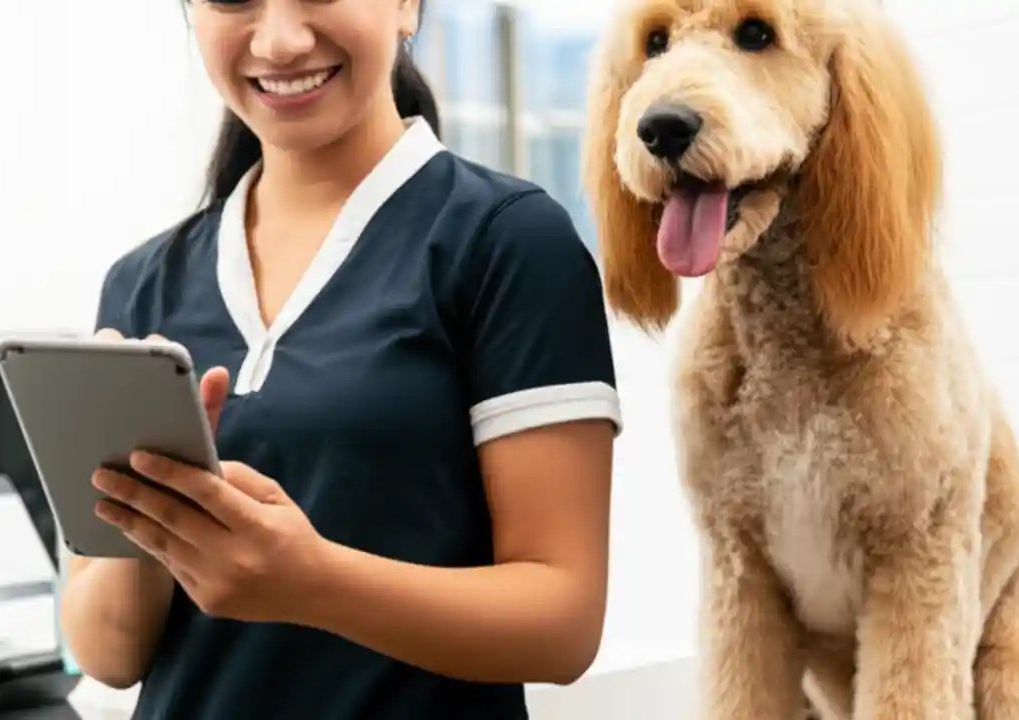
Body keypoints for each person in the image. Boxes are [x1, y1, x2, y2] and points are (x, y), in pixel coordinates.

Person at [58, 0, 621, 718]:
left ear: (407, 5)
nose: (281, 39)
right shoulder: (141, 285)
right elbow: (109, 655)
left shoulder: (508, 244)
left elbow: (563, 625)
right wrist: (145, 499)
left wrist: (312, 583)